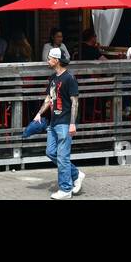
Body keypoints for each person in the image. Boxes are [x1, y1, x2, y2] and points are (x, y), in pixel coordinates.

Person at [32, 47, 82, 199]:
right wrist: (39, 114)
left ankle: (66, 189)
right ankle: (76, 174)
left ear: (57, 60)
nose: (48, 60)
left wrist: (72, 123)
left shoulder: (69, 78)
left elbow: (75, 102)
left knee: (62, 156)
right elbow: (49, 98)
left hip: (65, 122)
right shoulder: (53, 78)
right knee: (50, 152)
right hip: (54, 122)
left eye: (50, 58)